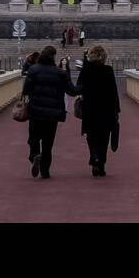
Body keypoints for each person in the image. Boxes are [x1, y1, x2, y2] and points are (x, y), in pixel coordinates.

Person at [22, 45, 80, 179]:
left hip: (35, 111)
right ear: (54, 57)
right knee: (48, 143)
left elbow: (26, 90)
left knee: (34, 138)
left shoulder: (33, 70)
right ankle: (45, 171)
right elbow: (72, 91)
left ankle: (35, 155)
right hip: (53, 113)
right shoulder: (60, 73)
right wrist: (85, 86)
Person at [75, 45, 120, 176]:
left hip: (90, 107)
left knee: (91, 134)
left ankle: (94, 156)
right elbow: (114, 91)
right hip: (107, 108)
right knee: (104, 138)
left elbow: (78, 86)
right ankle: (101, 166)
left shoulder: (86, 70)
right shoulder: (108, 70)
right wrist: (117, 110)